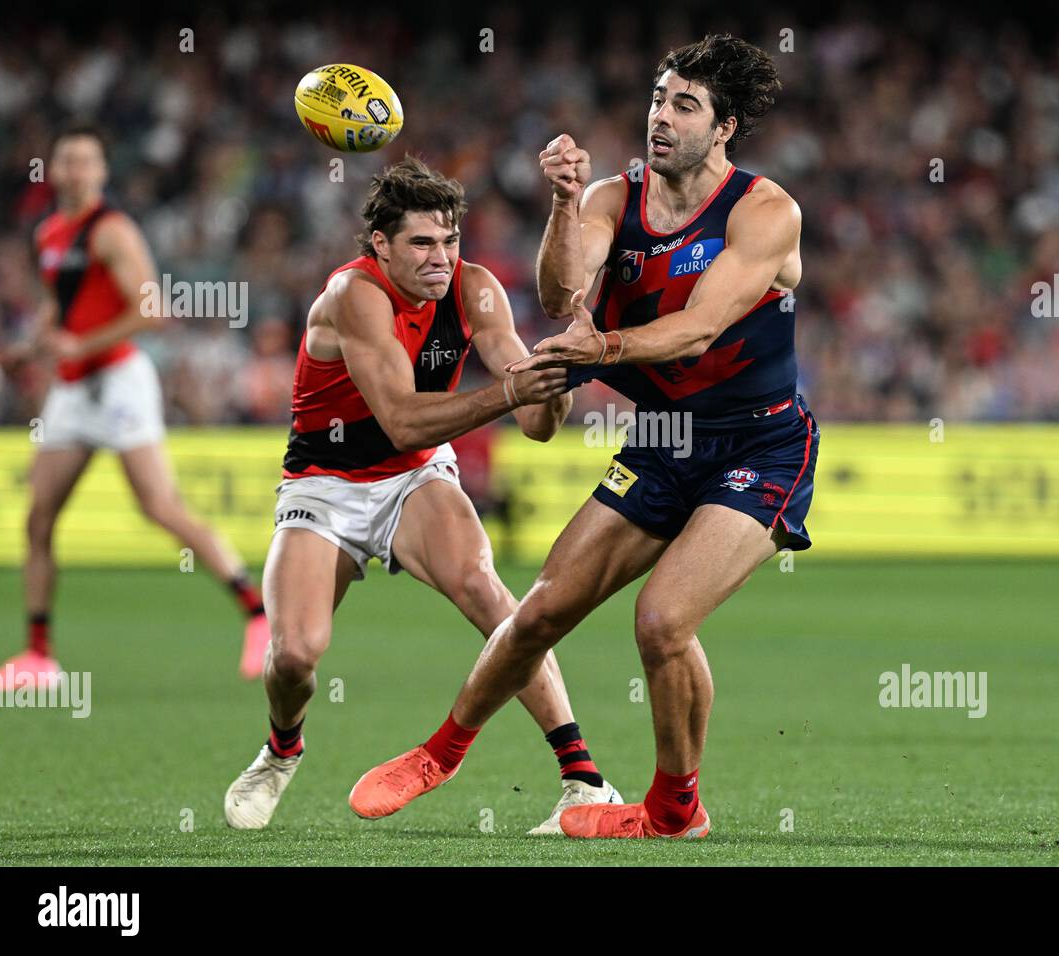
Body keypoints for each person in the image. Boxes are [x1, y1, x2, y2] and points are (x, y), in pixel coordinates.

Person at [347, 35, 818, 840]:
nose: (660, 117)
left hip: (759, 446)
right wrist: (565, 202)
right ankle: (442, 751)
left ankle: (673, 813)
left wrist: (598, 349)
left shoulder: (765, 211)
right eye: (658, 98)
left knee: (663, 622)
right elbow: (563, 288)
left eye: (684, 106)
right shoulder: (611, 199)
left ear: (725, 127)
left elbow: (699, 330)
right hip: (662, 443)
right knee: (538, 613)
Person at [223, 157, 620, 833]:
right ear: (381, 244)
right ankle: (282, 748)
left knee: (492, 597)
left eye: (449, 241)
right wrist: (511, 392)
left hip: (414, 475)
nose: (441, 258)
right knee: (294, 656)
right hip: (324, 485)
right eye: (422, 243)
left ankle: (585, 779)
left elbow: (533, 423)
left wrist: (557, 377)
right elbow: (401, 416)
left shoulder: (476, 290)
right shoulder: (354, 295)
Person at [0, 123, 271, 688]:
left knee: (160, 507)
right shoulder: (50, 231)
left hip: (118, 380)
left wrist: (81, 344)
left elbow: (153, 310)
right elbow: (58, 305)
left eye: (85, 161)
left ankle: (260, 616)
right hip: (72, 387)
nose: (73, 170)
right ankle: (39, 657)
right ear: (54, 168)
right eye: (65, 160)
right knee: (39, 519)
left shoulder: (111, 231)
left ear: (101, 172)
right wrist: (34, 345)